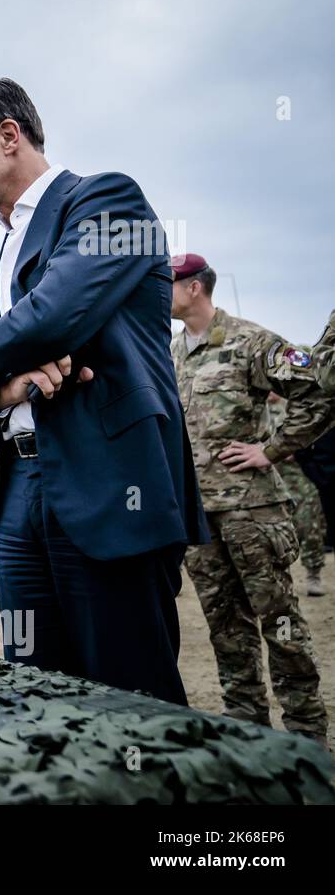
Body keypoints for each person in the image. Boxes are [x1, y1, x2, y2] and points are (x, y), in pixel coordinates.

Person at [0, 77, 208, 705]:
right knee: (40, 696)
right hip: (21, 491)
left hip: (109, 483)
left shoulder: (109, 202)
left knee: (131, 701)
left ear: (7, 134)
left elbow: (57, 313)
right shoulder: (2, 260)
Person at [170, 253, 328, 740]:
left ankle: (305, 734)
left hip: (252, 511)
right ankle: (248, 730)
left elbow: (319, 389)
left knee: (280, 625)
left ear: (194, 287)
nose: (161, 292)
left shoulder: (250, 341)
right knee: (225, 629)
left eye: (168, 283)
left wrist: (272, 449)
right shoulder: (172, 352)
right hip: (200, 517)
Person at [268, 394, 328, 596]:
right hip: (264, 473)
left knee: (310, 521)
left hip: (295, 472)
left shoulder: (294, 405)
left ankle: (313, 573)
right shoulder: (253, 404)